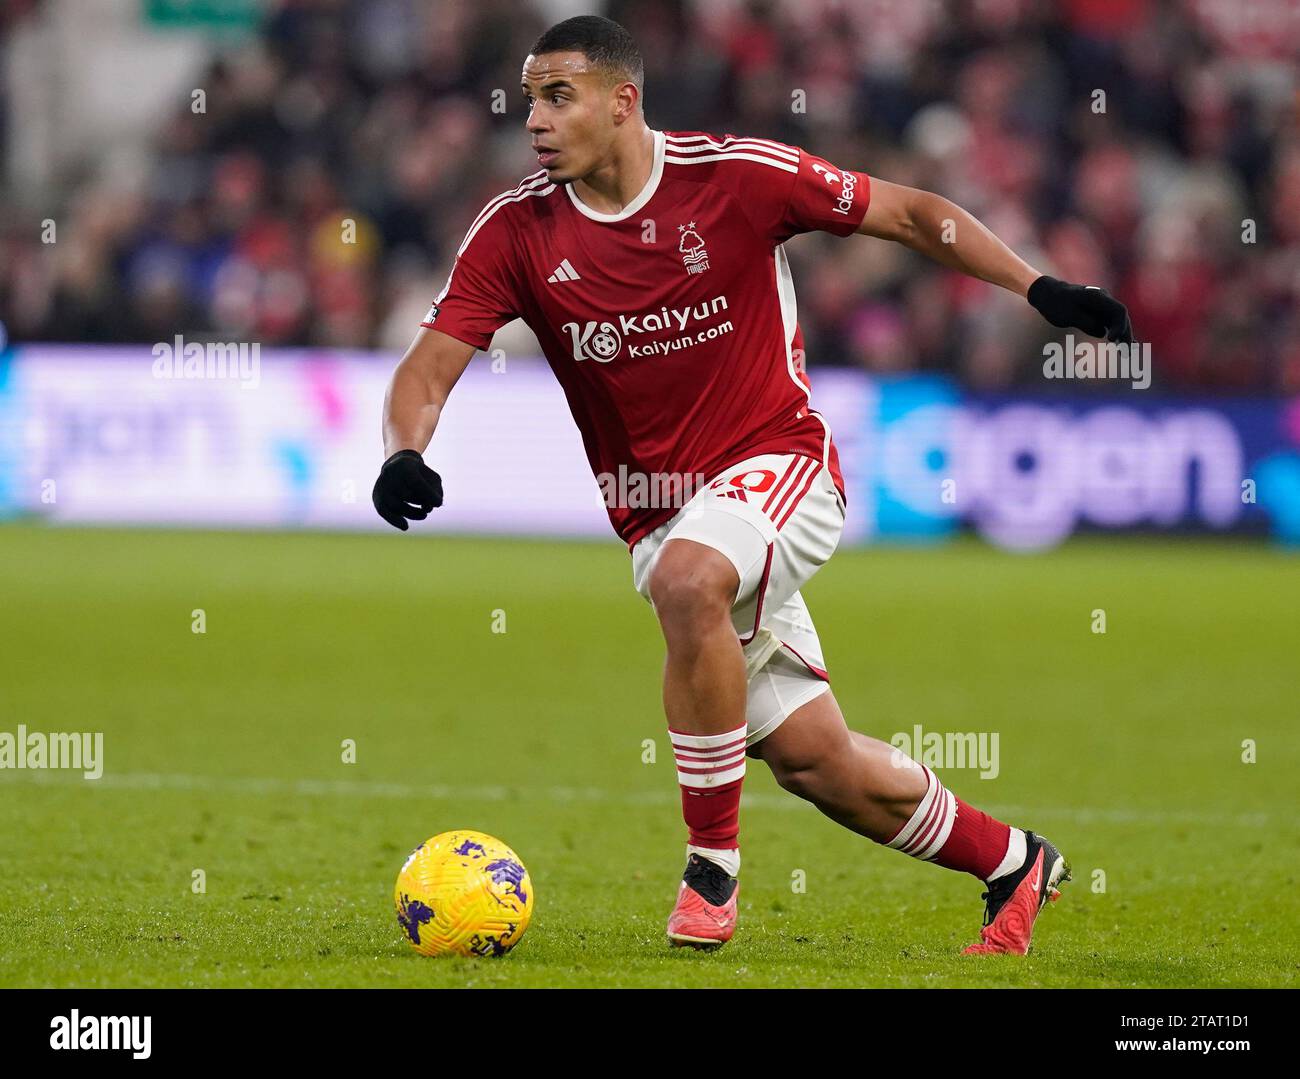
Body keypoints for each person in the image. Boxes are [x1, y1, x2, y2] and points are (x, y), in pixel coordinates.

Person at [373, 15, 1133, 954]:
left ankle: (711, 869)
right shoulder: (518, 231)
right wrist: (403, 452)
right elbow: (429, 365)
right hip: (661, 520)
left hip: (782, 466)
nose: (534, 118)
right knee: (820, 763)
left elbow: (907, 211)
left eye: (557, 96)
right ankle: (1013, 862)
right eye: (530, 97)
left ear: (623, 102)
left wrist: (1038, 287)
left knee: (692, 579)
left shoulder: (736, 176)